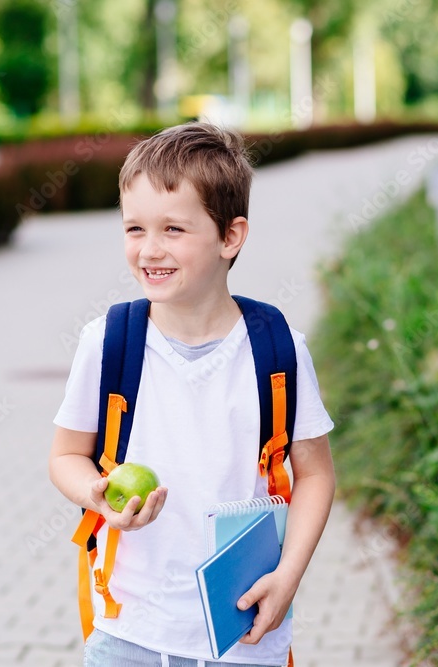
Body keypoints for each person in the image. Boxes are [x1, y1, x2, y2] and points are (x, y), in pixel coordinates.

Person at [48, 122, 336, 667]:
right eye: (134, 229)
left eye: (173, 230)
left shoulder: (278, 349)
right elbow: (66, 456)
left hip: (243, 631)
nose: (149, 250)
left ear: (231, 236)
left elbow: (316, 474)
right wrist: (95, 493)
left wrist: (288, 577)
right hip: (129, 628)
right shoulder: (107, 344)